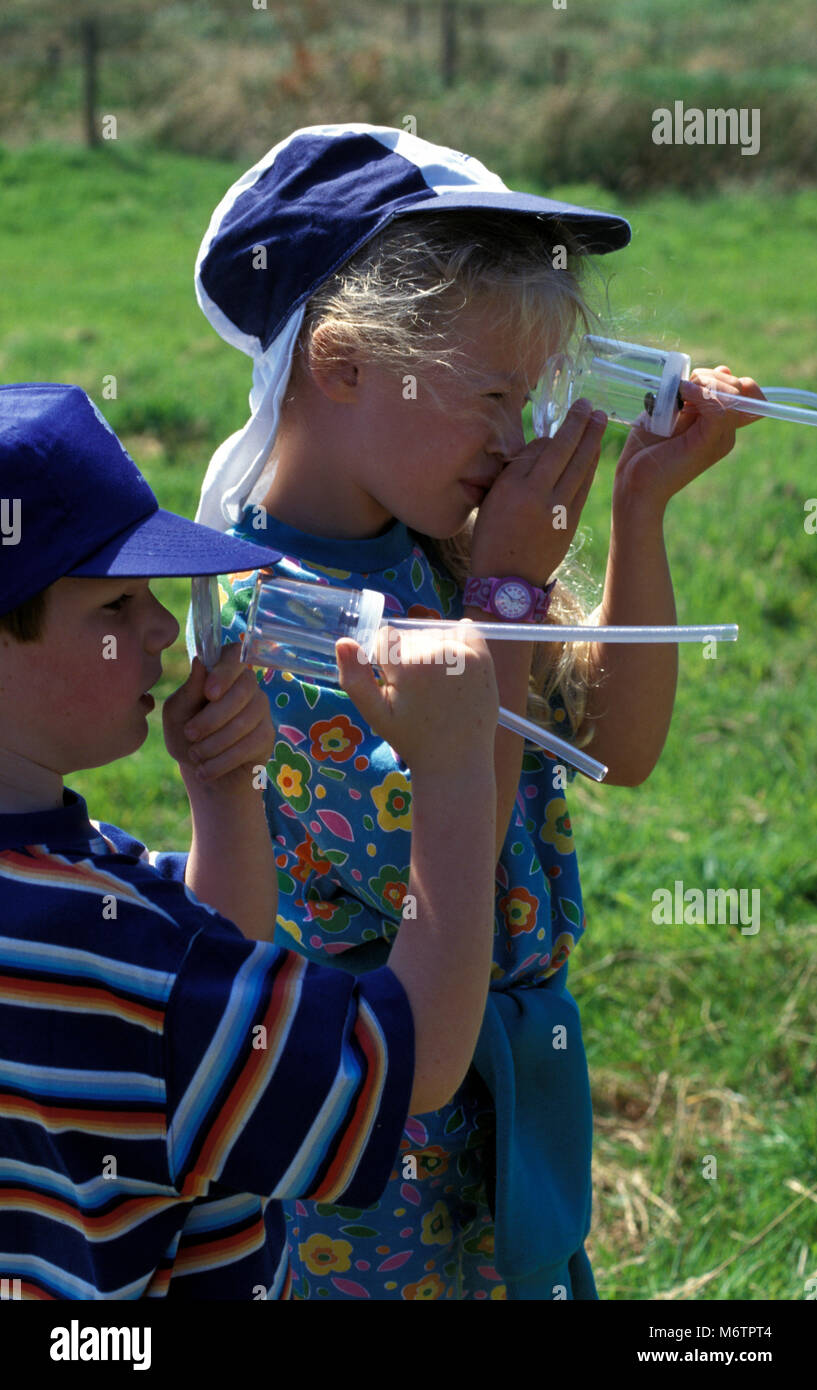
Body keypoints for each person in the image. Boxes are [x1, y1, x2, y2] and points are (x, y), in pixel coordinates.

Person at [191, 124, 764, 1300]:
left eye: (534, 396)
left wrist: (640, 508)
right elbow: (452, 842)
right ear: (343, 361)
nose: (515, 439)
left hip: (496, 1127)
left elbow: (620, 747)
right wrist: (504, 600)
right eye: (493, 396)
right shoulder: (283, 620)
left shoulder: (439, 554)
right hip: (373, 1147)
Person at [0, 382, 501, 1300]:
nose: (158, 627)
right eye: (112, 609)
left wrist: (225, 798)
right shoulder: (123, 957)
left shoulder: (73, 900)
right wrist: (457, 772)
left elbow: (210, 971)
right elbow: (419, 1059)